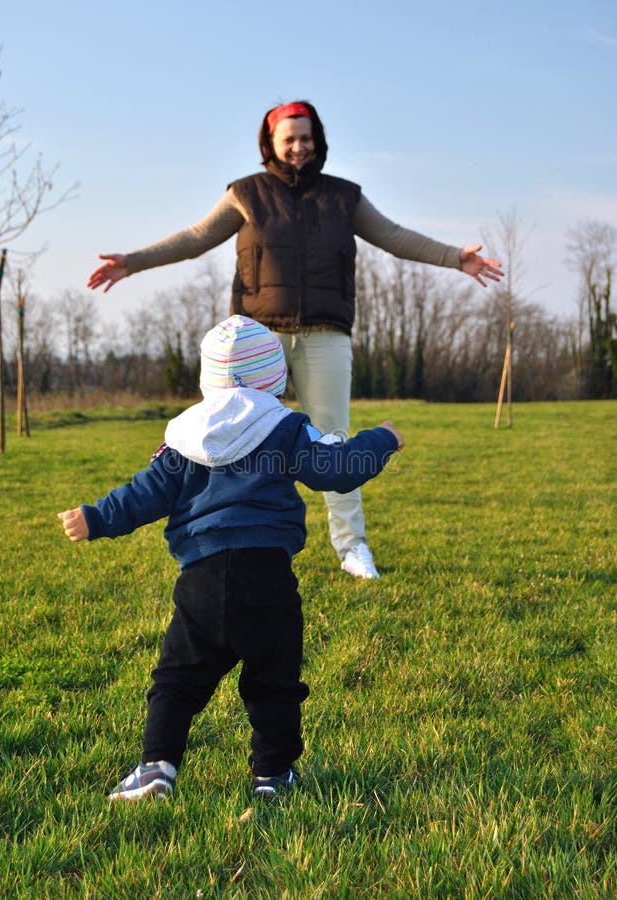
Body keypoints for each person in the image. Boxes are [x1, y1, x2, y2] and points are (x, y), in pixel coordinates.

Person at [87, 100, 502, 579]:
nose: (298, 146)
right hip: (255, 341)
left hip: (325, 335)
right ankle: (235, 535)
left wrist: (456, 258)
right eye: (289, 138)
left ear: (317, 139)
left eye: (306, 138)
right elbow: (196, 237)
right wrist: (132, 261)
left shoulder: (344, 197)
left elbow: (393, 235)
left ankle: (351, 546)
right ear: (272, 143)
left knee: (334, 438)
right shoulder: (247, 194)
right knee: (237, 435)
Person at [58, 315, 404, 801]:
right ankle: (272, 777)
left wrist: (96, 517)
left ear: (207, 379)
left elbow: (147, 493)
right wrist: (382, 438)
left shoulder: (184, 438)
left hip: (201, 582)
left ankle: (156, 767)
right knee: (274, 684)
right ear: (275, 379)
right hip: (268, 581)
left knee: (176, 680)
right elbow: (337, 469)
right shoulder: (284, 429)